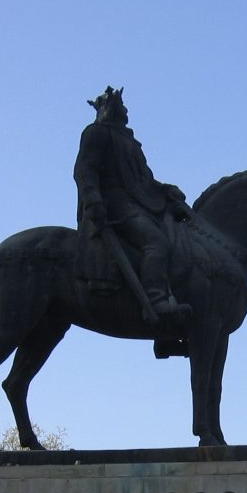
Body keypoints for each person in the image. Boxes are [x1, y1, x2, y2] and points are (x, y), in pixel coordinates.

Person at [73, 86, 192, 320]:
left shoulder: (130, 142)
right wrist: (93, 199)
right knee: (156, 243)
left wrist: (167, 190)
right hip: (115, 203)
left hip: (141, 203)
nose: (122, 110)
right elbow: (85, 169)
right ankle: (157, 301)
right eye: (116, 106)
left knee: (180, 240)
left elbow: (145, 180)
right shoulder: (96, 133)